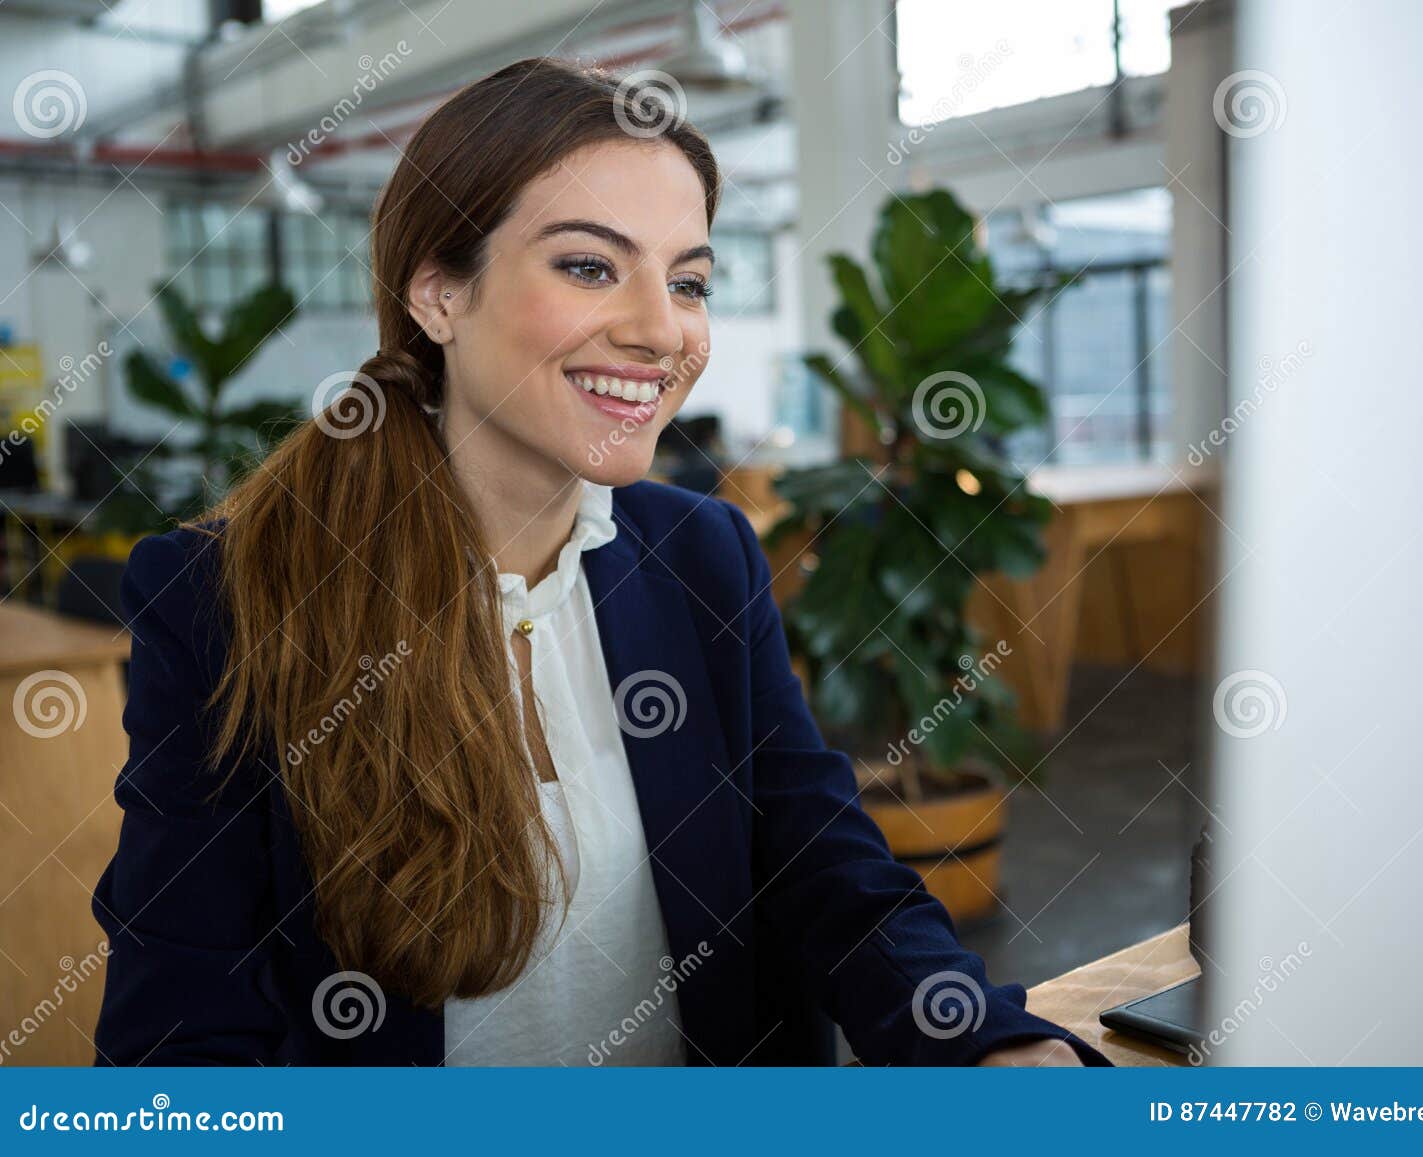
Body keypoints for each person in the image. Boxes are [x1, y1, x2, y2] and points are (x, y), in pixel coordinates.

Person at [91, 56, 1106, 1068]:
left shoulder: (704, 555)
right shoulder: (223, 597)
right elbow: (178, 1036)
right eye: (588, 266)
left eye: (689, 282)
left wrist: (987, 1042)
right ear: (438, 294)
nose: (662, 331)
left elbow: (821, 862)